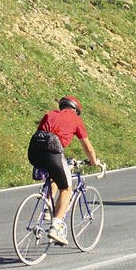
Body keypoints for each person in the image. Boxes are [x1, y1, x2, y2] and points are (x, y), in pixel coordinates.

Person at [28, 95, 100, 245]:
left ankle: (47, 208)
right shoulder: (75, 119)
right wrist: (94, 162)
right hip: (53, 153)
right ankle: (56, 227)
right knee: (66, 189)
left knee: (55, 175)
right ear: (75, 110)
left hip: (34, 152)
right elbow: (87, 146)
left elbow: (43, 136)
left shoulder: (50, 114)